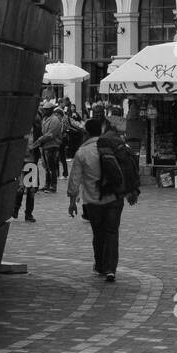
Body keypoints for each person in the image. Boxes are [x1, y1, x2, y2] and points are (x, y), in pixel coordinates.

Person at [67, 118, 124, 282]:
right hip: (114, 197)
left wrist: (72, 201)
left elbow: (75, 179)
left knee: (99, 233)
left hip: (94, 200)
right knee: (112, 233)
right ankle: (111, 269)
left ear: (86, 133)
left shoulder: (82, 152)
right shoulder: (110, 146)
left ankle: (100, 266)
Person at [32, 103, 64, 192]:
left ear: (50, 110)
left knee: (52, 167)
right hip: (45, 146)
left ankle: (53, 186)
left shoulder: (55, 120)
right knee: (46, 167)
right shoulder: (45, 119)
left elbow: (50, 134)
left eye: (46, 109)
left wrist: (39, 140)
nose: (44, 111)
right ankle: (47, 184)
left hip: (52, 146)